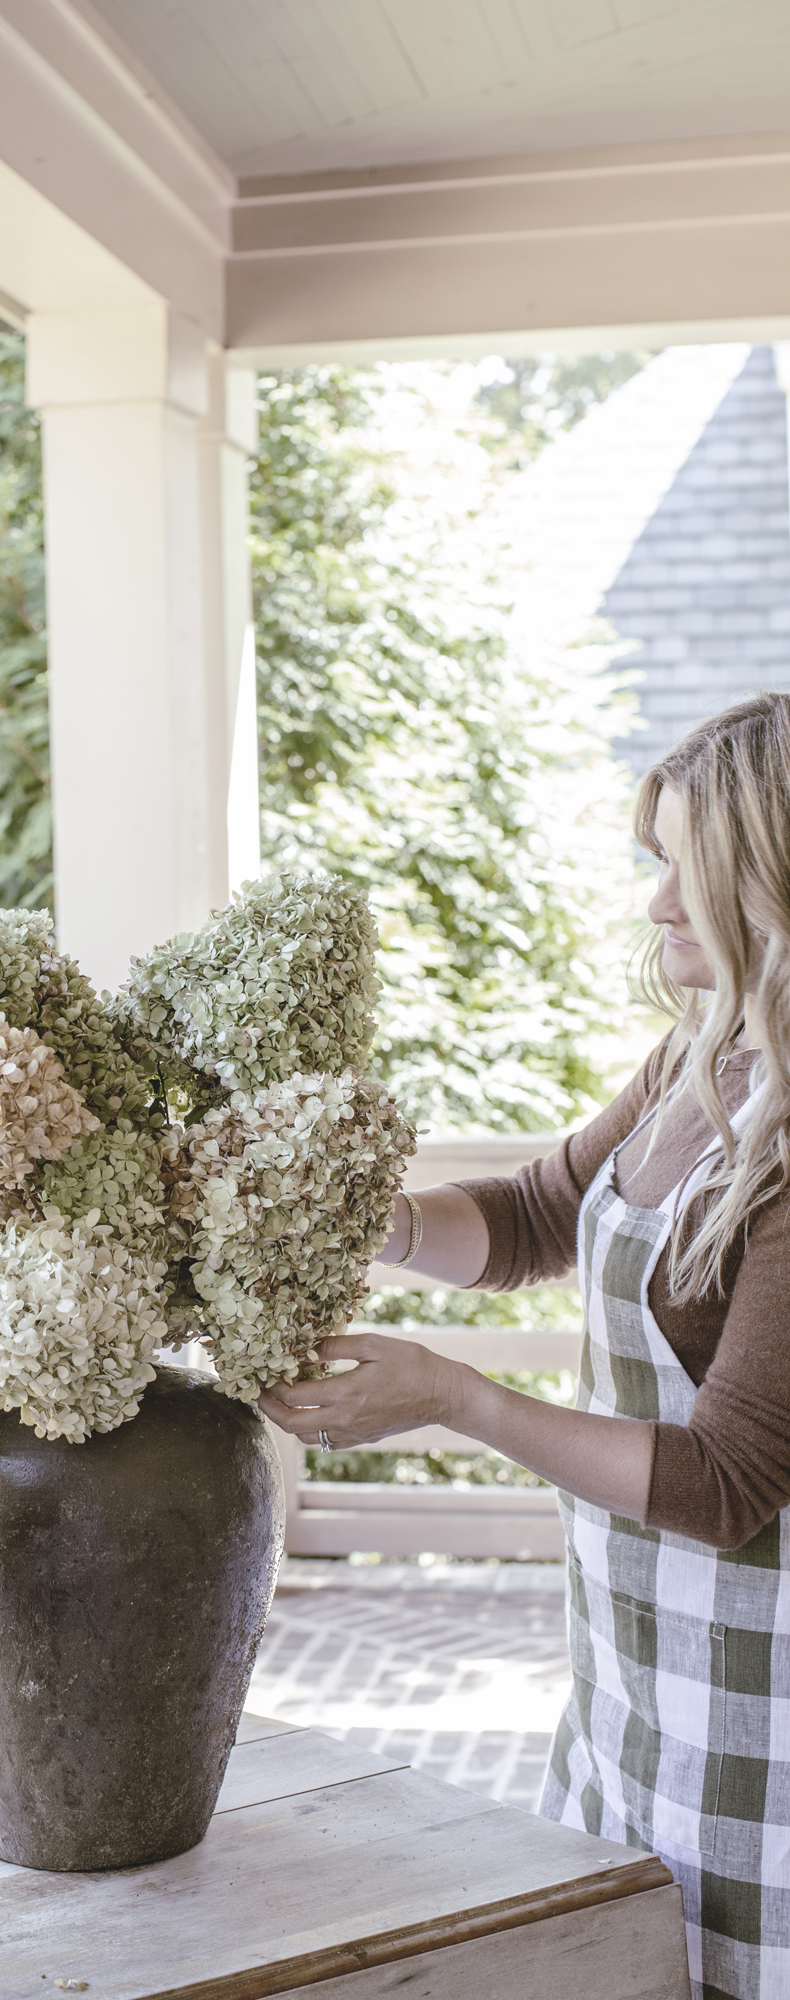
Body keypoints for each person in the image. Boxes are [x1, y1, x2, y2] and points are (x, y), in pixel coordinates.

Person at [261, 692, 790, 2000]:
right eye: (652, 861)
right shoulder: (699, 1053)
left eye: (686, 865)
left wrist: (450, 1395)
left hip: (767, 1722)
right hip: (632, 1685)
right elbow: (530, 1216)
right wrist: (362, 1214)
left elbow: (727, 1483)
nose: (657, 900)